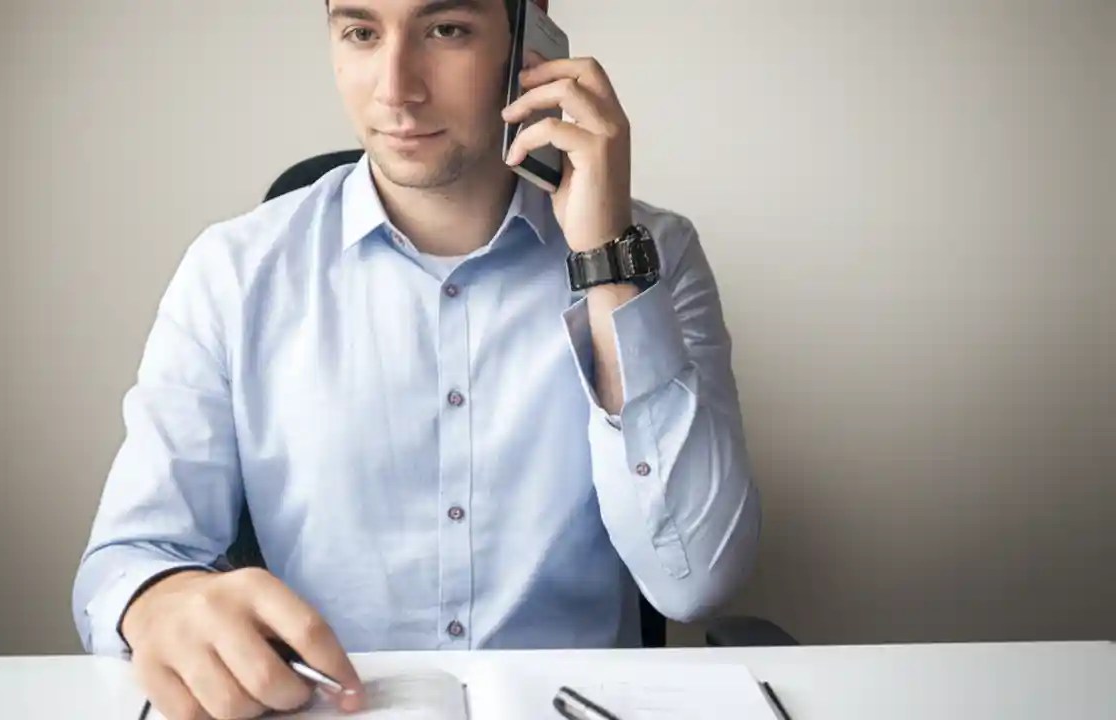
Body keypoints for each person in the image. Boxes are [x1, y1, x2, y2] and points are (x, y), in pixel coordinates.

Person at [72, 0, 760, 717]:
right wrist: (163, 601)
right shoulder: (234, 271)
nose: (395, 89)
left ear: (530, 40)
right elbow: (126, 561)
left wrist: (606, 262)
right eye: (362, 33)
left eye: (446, 30)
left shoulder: (654, 253)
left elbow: (696, 581)